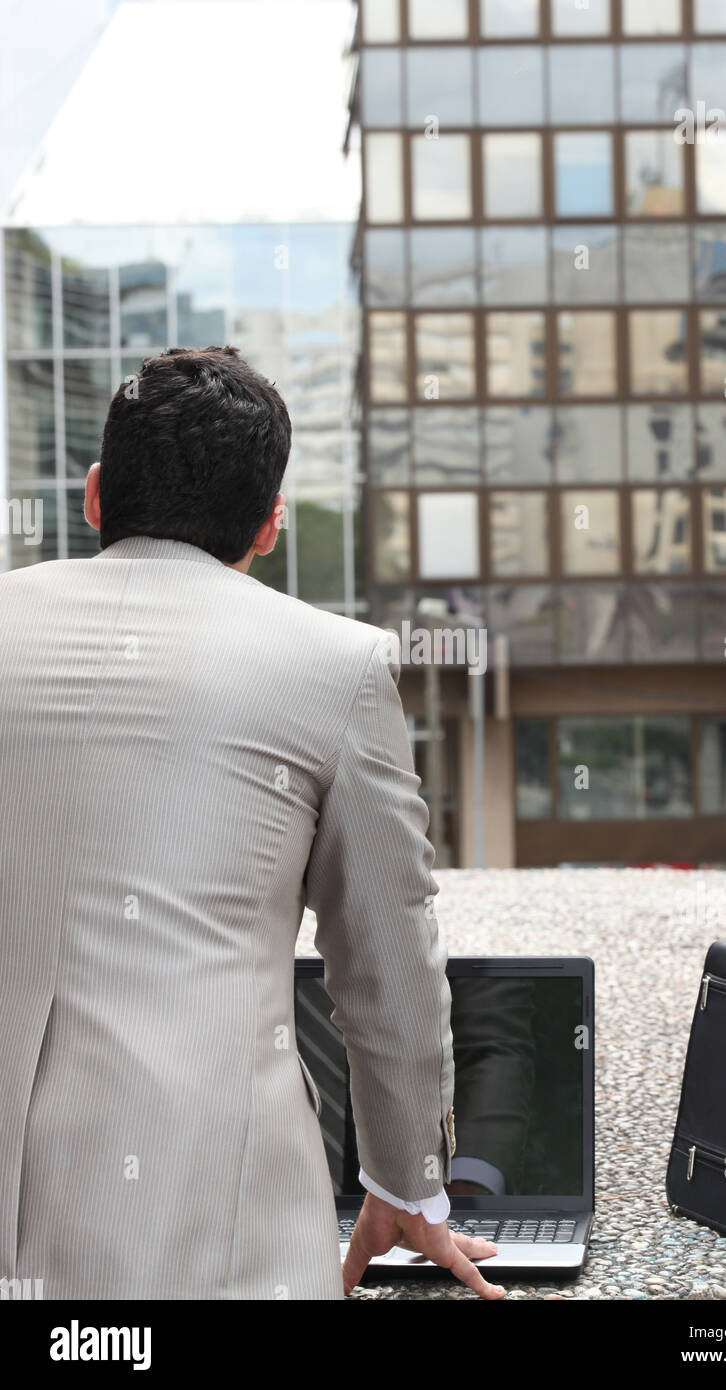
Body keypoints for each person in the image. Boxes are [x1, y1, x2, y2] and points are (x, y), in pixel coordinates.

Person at [0, 345, 504, 1301]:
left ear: (96, 495)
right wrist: (406, 1181)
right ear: (271, 525)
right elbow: (386, 955)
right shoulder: (335, 665)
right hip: (203, 1225)